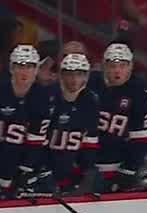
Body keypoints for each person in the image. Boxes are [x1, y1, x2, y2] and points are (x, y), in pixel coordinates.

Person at [0, 44, 52, 197]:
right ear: (11, 68)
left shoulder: (42, 98)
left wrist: (25, 171)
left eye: (29, 66)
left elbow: (36, 142)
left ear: (36, 70)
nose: (24, 71)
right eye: (20, 66)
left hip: (24, 166)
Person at [87, 43, 147, 193]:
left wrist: (129, 170)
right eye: (112, 66)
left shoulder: (139, 90)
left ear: (131, 67)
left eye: (123, 66)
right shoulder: (90, 83)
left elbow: (141, 138)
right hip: (90, 166)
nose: (117, 71)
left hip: (120, 165)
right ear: (104, 66)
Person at [36, 53, 100, 194]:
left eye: (79, 74)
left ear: (86, 76)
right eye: (70, 74)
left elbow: (89, 142)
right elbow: (37, 142)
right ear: (61, 75)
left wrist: (86, 171)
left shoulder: (91, 101)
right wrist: (42, 170)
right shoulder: (48, 97)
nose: (74, 79)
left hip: (70, 176)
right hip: (44, 174)